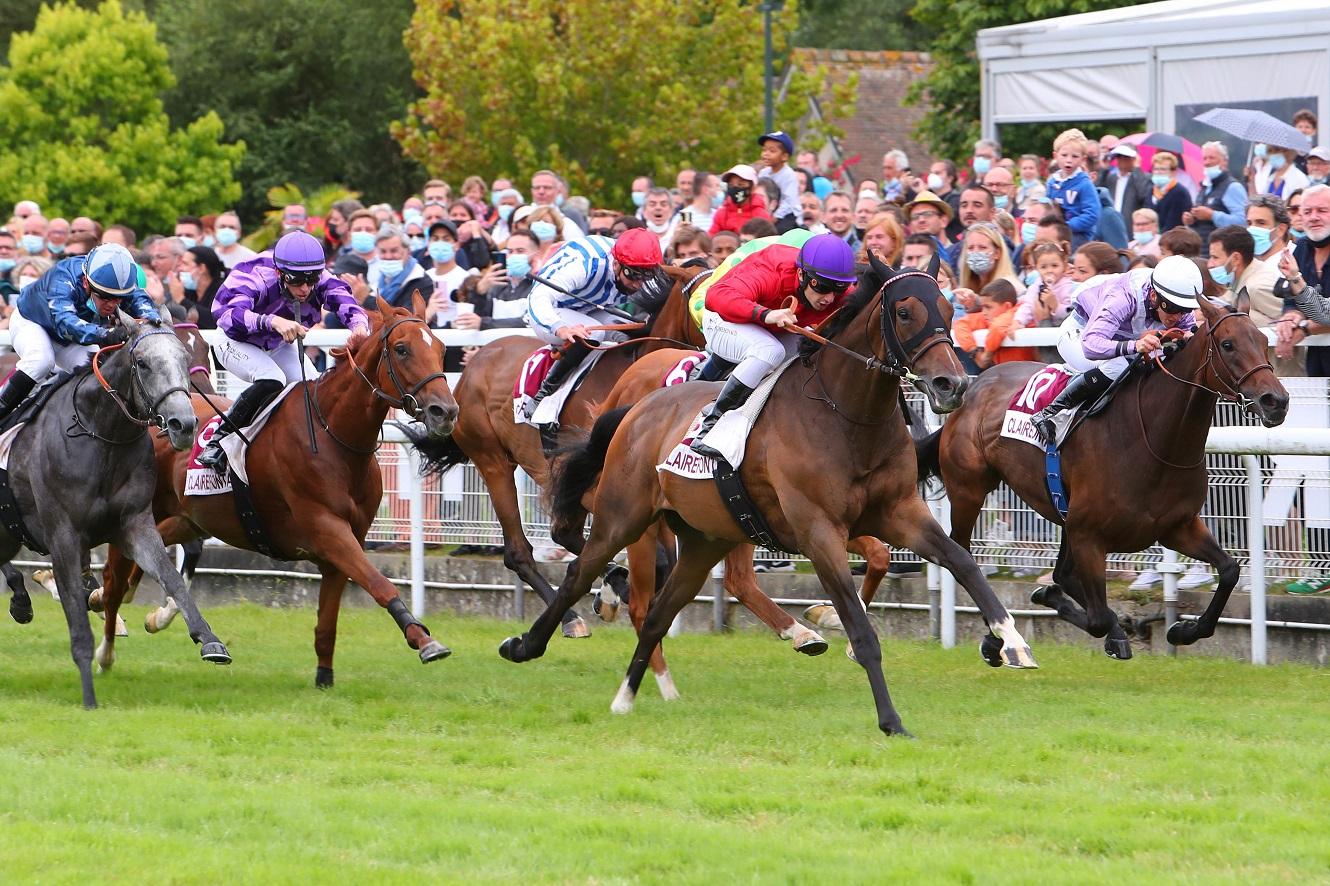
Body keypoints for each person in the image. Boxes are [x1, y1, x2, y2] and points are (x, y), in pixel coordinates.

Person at [198, 232, 370, 471]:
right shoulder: (254, 275)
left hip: (275, 344)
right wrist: (271, 321)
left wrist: (359, 327)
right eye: (297, 282)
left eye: (311, 282)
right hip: (234, 341)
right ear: (279, 273)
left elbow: (343, 298)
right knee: (272, 379)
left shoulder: (313, 276)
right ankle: (219, 441)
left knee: (312, 387)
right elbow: (225, 313)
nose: (305, 289)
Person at [690, 233, 856, 458]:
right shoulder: (771, 271)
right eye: (823, 287)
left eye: (838, 290)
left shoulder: (837, 294)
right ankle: (710, 427)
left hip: (769, 328)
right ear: (801, 274)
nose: (828, 298)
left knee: (809, 354)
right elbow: (716, 297)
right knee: (769, 351)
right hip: (721, 319)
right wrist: (765, 314)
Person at [1031, 255, 1202, 443]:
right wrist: (1134, 346)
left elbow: (1188, 339)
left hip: (1123, 338)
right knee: (1119, 366)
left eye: (1184, 310)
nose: (1178, 316)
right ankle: (1050, 413)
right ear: (1154, 296)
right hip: (1080, 334)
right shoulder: (1123, 296)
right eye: (1172, 308)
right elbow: (1091, 346)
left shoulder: (1176, 303)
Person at [0, 244, 159, 422]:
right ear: (85, 282)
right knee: (41, 361)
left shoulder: (122, 282)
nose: (112, 305)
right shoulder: (62, 278)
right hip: (32, 322)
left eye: (118, 298)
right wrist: (105, 334)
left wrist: (153, 321)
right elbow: (65, 323)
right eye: (105, 297)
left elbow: (141, 301)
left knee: (100, 368)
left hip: (73, 333)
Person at [522, 228, 663, 425]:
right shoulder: (585, 266)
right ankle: (545, 394)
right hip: (552, 309)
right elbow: (540, 297)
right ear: (616, 264)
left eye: (645, 277)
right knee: (592, 333)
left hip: (591, 308)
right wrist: (561, 328)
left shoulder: (641, 268)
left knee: (631, 332)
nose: (639, 285)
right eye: (633, 276)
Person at [954, 279, 1038, 370]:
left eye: (988, 307)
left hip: (1028, 374)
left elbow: (997, 327)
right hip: (1005, 374)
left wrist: (987, 354)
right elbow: (960, 324)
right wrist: (975, 352)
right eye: (983, 307)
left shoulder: (1018, 313)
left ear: (1007, 306)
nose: (984, 312)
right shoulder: (989, 316)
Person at [1207, 225, 1282, 328]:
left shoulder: (1257, 288)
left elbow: (1286, 323)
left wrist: (1232, 317)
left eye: (1215, 257)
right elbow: (1227, 301)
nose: (1210, 264)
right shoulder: (1238, 277)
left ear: (1236, 259)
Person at [1045, 128, 1101, 250]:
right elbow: (1047, 207)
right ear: (1055, 156)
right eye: (1064, 155)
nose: (1069, 160)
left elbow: (1092, 214)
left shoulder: (1084, 183)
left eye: (1075, 156)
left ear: (1083, 159)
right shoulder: (1052, 181)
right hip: (1055, 233)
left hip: (1078, 236)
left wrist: (1067, 226)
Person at [1185, 141, 1248, 245]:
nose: (1207, 162)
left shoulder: (1233, 187)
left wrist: (1212, 215)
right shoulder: (1204, 187)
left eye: (1211, 158)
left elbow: (1243, 222)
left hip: (1224, 250)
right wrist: (1192, 220)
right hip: (1202, 249)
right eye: (1204, 158)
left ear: (1224, 161)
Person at [756, 131, 800, 232]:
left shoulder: (788, 175)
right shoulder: (763, 173)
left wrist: (775, 217)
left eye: (772, 151)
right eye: (764, 150)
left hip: (786, 216)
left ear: (784, 156)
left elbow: (789, 202)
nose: (766, 154)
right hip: (769, 213)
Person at [709, 165, 770, 236]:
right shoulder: (722, 213)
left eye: (740, 184)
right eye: (731, 185)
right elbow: (712, 238)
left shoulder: (760, 214)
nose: (735, 188)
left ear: (752, 187)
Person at [1098, 144, 1152, 220]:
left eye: (1126, 157)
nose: (1122, 160)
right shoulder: (1110, 177)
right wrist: (1104, 169)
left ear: (1134, 159)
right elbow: (1097, 194)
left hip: (1131, 225)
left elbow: (1143, 196)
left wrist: (1137, 168)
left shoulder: (1144, 177)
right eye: (1119, 156)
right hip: (1111, 223)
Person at [178, 245, 226, 328]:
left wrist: (181, 299)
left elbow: (215, 322)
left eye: (185, 264)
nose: (180, 268)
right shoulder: (189, 291)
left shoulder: (223, 290)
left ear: (201, 268)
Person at [1147, 152, 1192, 232]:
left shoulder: (1179, 192)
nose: (1158, 172)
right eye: (1156, 169)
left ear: (1173, 172)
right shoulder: (1151, 190)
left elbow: (1173, 223)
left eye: (1163, 169)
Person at [1245, 194, 1292, 264]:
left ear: (1281, 229)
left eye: (1261, 223)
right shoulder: (1247, 265)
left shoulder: (1296, 261)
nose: (1252, 229)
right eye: (1249, 223)